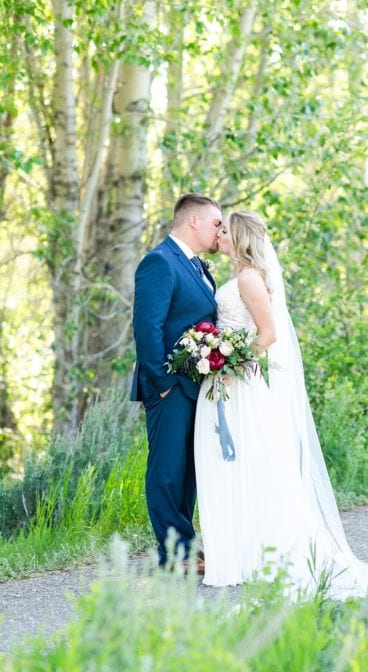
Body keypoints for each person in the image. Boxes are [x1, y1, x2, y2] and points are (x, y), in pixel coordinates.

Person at [194, 210, 368, 597]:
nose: (219, 233)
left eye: (225, 228)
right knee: (232, 467)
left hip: (240, 386)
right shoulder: (239, 275)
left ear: (239, 236)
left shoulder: (248, 278)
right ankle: (239, 551)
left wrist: (229, 364)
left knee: (249, 464)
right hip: (225, 382)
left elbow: (269, 333)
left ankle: (258, 553)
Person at [131, 194, 221, 569]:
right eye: (217, 223)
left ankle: (185, 544)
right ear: (194, 222)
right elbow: (146, 325)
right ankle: (173, 553)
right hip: (169, 385)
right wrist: (163, 381)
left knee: (188, 469)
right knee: (167, 470)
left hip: (195, 384)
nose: (221, 231)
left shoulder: (199, 266)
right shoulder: (159, 262)